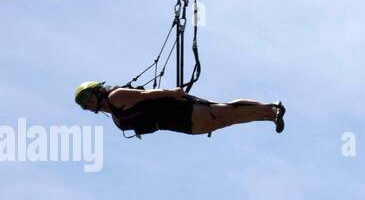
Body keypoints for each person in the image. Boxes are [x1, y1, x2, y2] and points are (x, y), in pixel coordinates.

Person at [74, 81, 285, 137]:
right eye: (84, 105)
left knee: (227, 111)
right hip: (184, 126)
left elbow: (146, 95)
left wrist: (173, 93)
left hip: (181, 111)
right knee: (229, 119)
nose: (87, 105)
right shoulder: (118, 121)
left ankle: (271, 110)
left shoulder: (116, 96)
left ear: (97, 91)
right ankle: (269, 114)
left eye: (87, 98)